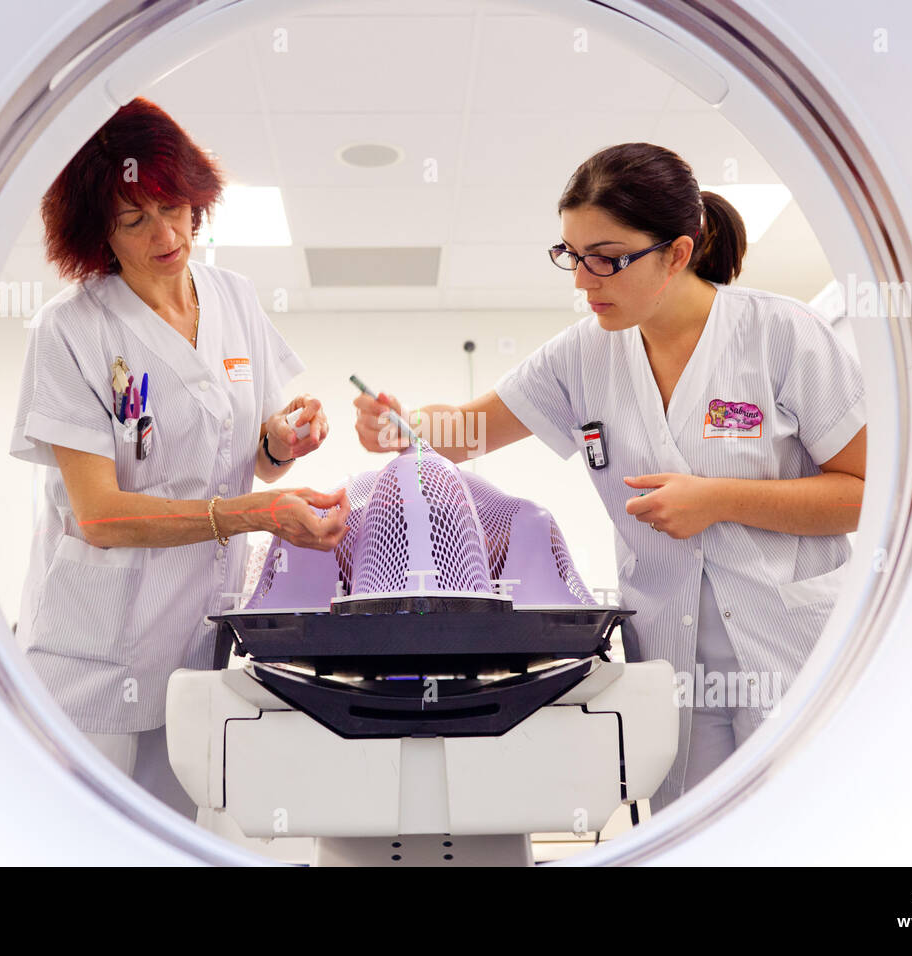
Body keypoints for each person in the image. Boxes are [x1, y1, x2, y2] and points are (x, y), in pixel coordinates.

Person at [354, 143, 866, 814]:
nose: (582, 280)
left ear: (676, 254)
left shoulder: (781, 336)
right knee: (693, 836)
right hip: (674, 666)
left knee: (808, 827)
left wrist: (718, 500)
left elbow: (859, 493)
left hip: (794, 647)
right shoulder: (583, 355)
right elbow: (469, 430)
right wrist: (401, 428)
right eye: (570, 254)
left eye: (607, 258)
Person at [10, 98, 348, 817]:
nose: (166, 234)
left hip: (196, 641)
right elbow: (99, 516)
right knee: (81, 841)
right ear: (97, 233)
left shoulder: (234, 298)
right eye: (135, 220)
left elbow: (249, 454)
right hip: (89, 653)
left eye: (175, 207)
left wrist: (279, 443)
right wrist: (251, 514)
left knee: (173, 838)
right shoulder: (69, 332)